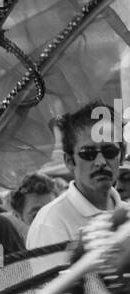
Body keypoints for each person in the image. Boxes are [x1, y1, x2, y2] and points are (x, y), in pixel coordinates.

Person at [26, 103, 123, 249]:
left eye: (109, 151)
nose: (101, 162)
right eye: (88, 153)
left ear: (120, 156)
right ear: (70, 161)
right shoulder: (50, 223)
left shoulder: (126, 215)